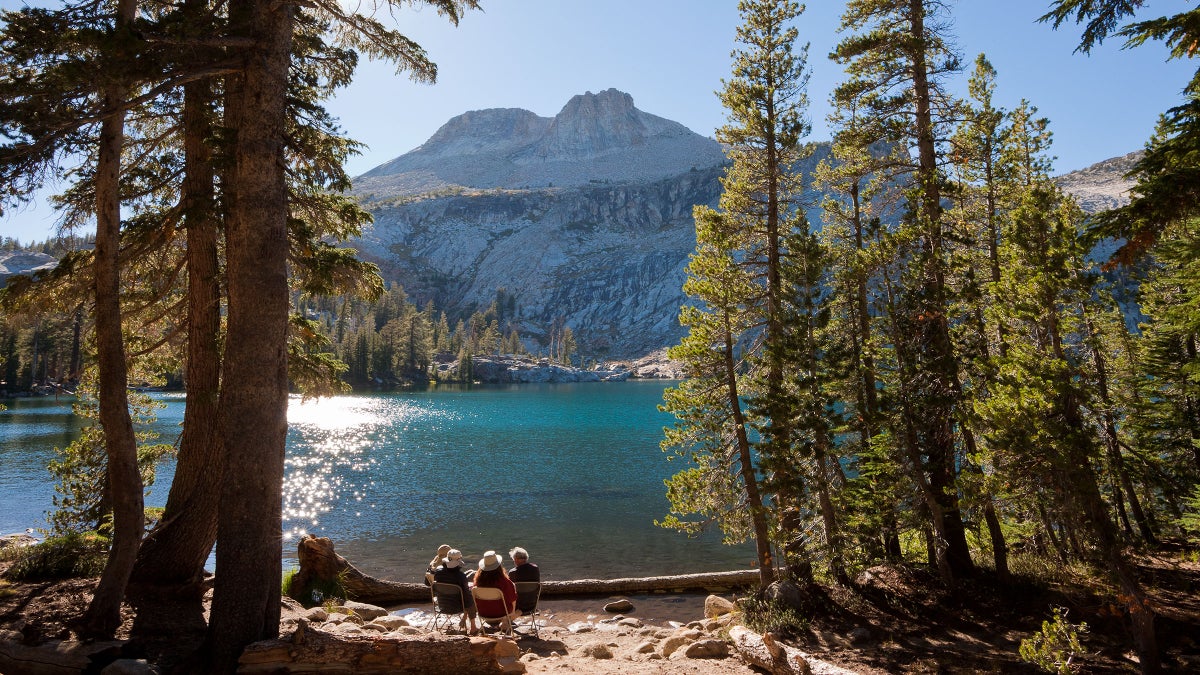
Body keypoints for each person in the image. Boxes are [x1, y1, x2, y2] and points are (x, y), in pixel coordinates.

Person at [432, 549, 478, 633]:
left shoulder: (438, 573)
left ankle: (464, 620)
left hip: (442, 605)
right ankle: (473, 627)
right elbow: (466, 596)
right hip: (457, 607)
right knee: (470, 597)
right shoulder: (460, 576)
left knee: (468, 595)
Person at [472, 550, 518, 626]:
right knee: (513, 595)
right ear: (499, 566)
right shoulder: (504, 581)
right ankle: (506, 622)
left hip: (483, 612)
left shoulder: (478, 581)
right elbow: (512, 598)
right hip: (501, 613)